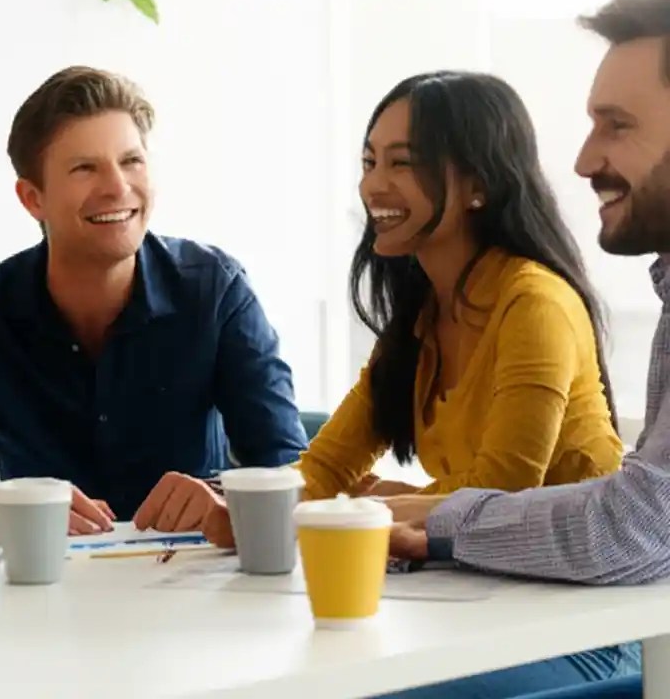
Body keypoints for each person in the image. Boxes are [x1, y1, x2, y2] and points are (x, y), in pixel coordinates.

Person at [160, 70, 627, 543]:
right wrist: (236, 509)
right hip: (484, 580)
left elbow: (502, 490)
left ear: (477, 185)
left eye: (401, 164)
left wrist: (390, 504)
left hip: (580, 580)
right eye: (369, 162)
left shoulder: (535, 302)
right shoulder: (421, 316)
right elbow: (327, 467)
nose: (373, 186)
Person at [381, 0, 670, 698]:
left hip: (599, 633)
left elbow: (636, 527)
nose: (581, 159)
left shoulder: (533, 299)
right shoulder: (418, 316)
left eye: (617, 125)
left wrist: (440, 516)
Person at [0, 65, 308, 536]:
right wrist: (11, 510)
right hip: (44, 583)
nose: (117, 187)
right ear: (32, 199)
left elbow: (289, 469)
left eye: (131, 161)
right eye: (85, 168)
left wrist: (221, 497)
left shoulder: (215, 290)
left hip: (189, 575)